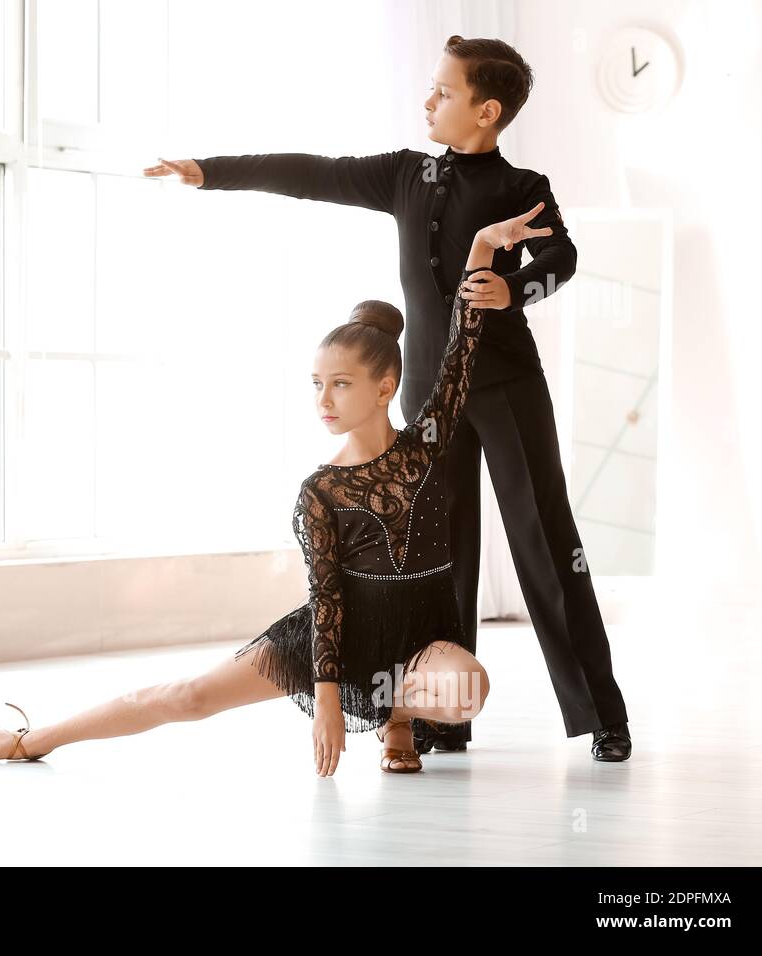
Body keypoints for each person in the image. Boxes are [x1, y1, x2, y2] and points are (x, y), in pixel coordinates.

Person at [143, 35, 631, 762]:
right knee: (443, 555)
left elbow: (561, 256)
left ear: (486, 111)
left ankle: (602, 716)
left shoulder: (522, 185)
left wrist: (515, 287)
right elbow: (312, 173)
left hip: (506, 388)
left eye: (444, 91)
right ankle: (440, 716)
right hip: (430, 403)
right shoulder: (407, 175)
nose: (427, 99)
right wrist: (210, 171)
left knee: (547, 543)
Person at [0, 204, 551, 776]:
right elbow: (328, 600)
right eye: (316, 384)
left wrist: (479, 248)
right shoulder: (323, 490)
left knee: (468, 688)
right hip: (337, 637)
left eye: (340, 384)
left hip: (421, 631)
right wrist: (330, 703)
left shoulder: (428, 441)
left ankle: (397, 718)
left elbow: (461, 347)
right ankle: (23, 741)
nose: (324, 401)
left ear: (386, 386)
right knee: (187, 697)